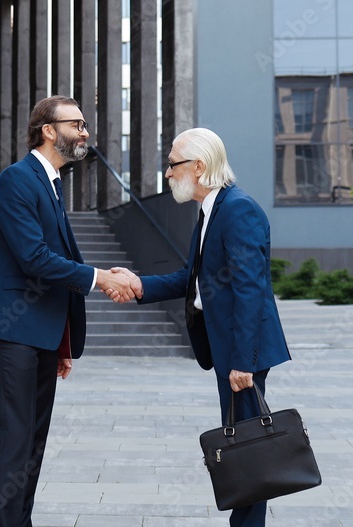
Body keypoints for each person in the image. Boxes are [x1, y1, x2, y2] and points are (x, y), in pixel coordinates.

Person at [111, 127, 292, 527]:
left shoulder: (237, 209)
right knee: (243, 444)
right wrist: (139, 284)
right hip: (227, 348)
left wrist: (243, 362)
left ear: (199, 165)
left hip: (242, 353)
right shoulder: (212, 210)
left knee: (250, 447)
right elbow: (192, 279)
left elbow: (249, 289)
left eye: (173, 164)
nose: (168, 173)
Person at [0, 95, 135, 526]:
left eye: (85, 125)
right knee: (15, 438)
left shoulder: (50, 181)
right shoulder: (17, 180)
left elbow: (49, 263)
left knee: (34, 440)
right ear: (48, 130)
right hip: (14, 330)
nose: (85, 133)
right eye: (77, 124)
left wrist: (60, 341)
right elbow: (35, 258)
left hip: (41, 332)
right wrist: (101, 277)